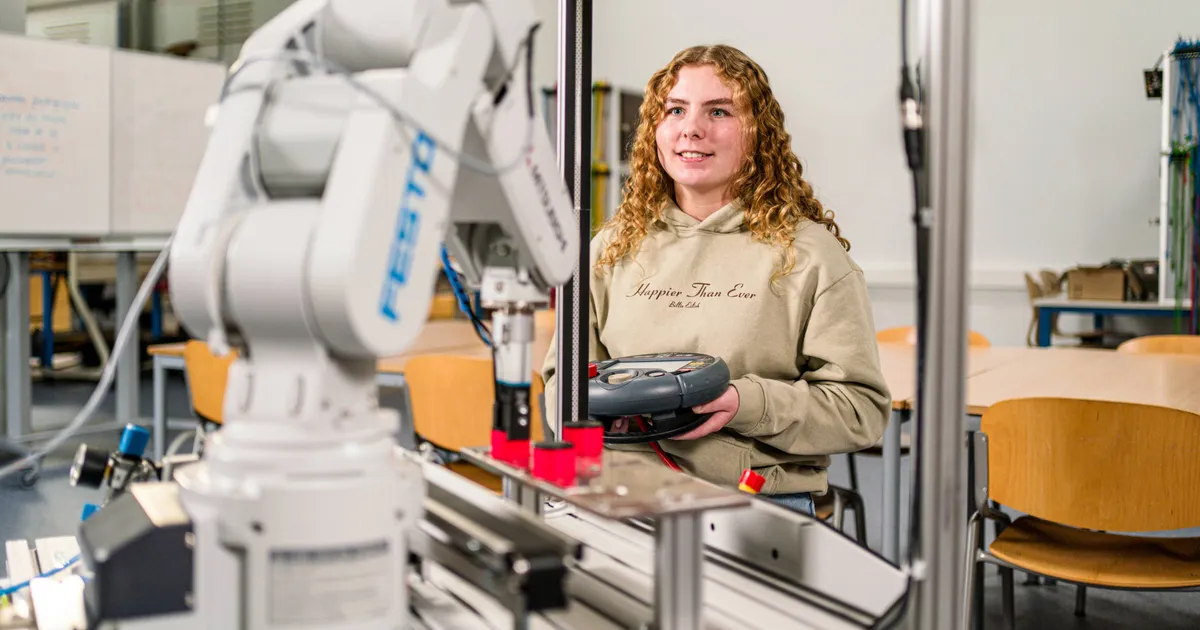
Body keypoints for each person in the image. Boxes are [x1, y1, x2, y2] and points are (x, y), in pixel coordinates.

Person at [541, 44, 891, 516]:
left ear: (757, 133)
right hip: (621, 498)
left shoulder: (809, 256)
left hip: (753, 504)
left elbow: (860, 411)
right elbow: (562, 385)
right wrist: (600, 413)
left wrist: (745, 403)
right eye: (675, 110)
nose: (692, 128)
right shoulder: (610, 248)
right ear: (655, 130)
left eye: (719, 111)